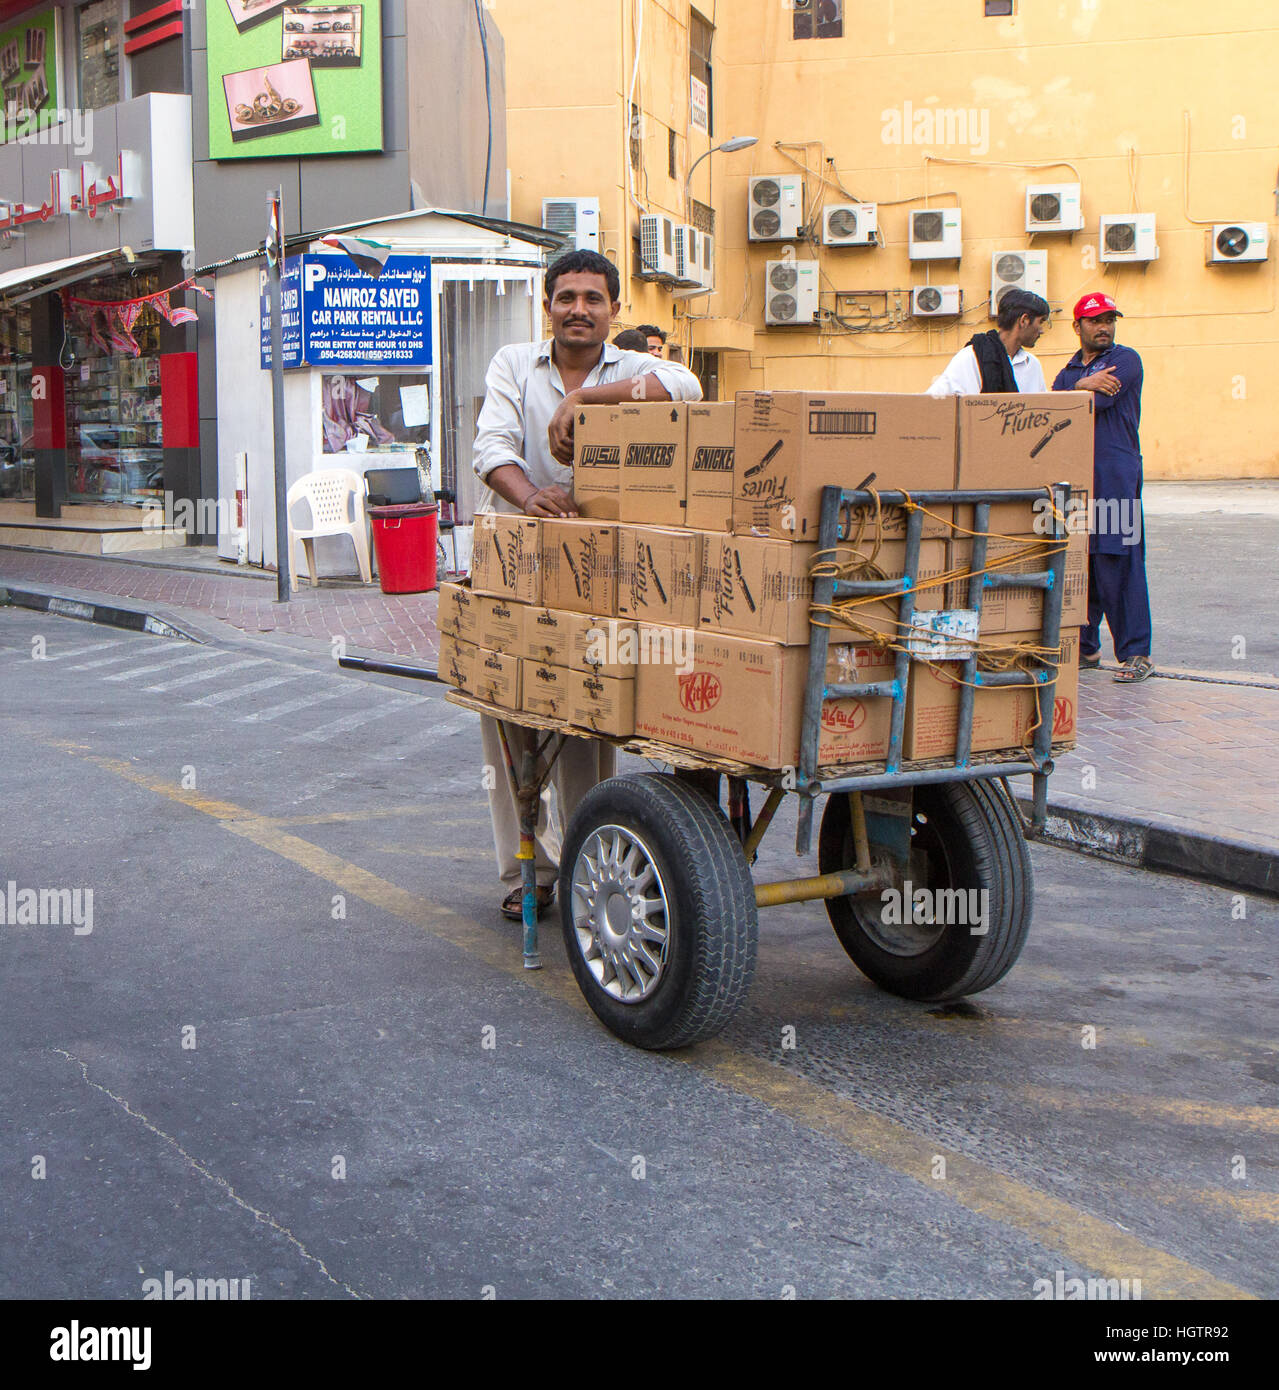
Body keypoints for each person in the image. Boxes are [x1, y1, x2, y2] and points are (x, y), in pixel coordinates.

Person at [472, 250, 702, 920]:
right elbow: (491, 450)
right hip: (517, 561)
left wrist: (584, 399)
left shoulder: (631, 369)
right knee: (511, 726)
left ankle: (579, 859)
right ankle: (528, 871)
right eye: (566, 297)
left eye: (592, 299)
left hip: (597, 571)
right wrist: (532, 496)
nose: (578, 309)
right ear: (547, 306)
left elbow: (685, 388)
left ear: (613, 310)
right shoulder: (514, 363)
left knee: (584, 721)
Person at [1053, 292, 1153, 682]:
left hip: (1115, 478)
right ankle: (1086, 647)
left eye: (1110, 319)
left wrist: (1077, 389)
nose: (1104, 327)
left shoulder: (1126, 360)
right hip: (1077, 482)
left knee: (1119, 562)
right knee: (1081, 561)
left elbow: (1095, 401)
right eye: (1095, 320)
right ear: (1077, 326)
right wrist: (1081, 383)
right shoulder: (1069, 371)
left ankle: (1136, 654)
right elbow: (1054, 406)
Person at [926, 289, 1050, 395]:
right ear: (1024, 320)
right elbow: (933, 403)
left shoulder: (1032, 365)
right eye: (1041, 322)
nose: (1042, 331)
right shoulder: (970, 358)